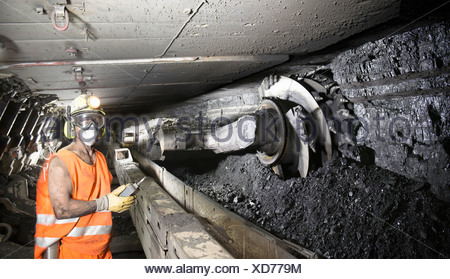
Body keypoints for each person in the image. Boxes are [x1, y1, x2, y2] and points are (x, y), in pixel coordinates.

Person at [34, 94, 135, 259]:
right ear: (72, 126)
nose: (91, 127)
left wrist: (116, 196)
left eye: (96, 120)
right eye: (84, 121)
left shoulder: (100, 158)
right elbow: (62, 210)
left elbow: (95, 198)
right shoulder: (61, 162)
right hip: (76, 254)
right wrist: (107, 202)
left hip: (103, 250)